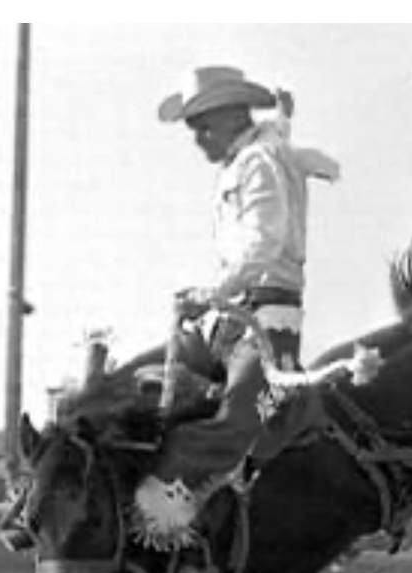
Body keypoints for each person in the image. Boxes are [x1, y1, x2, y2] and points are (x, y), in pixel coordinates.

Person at [133, 65, 341, 545]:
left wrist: (211, 293)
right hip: (229, 318)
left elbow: (264, 243)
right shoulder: (251, 158)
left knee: (238, 425)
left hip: (268, 323)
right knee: (142, 382)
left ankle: (162, 521)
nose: (198, 140)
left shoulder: (259, 162)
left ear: (230, 118)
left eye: (202, 127)